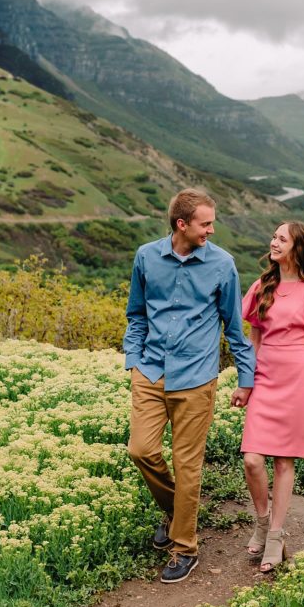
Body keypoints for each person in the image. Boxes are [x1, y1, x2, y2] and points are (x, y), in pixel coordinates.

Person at [124, 188, 256, 584]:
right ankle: (175, 512)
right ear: (181, 224)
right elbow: (136, 313)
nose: (211, 230)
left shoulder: (223, 265)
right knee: (142, 450)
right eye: (205, 223)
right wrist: (133, 360)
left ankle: (185, 546)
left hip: (197, 378)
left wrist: (246, 379)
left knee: (187, 465)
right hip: (149, 371)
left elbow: (234, 328)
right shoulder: (147, 257)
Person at [231, 221, 304, 573]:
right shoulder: (263, 286)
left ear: (298, 247)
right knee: (251, 459)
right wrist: (246, 383)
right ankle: (262, 522)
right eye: (273, 236)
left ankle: (275, 536)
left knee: (284, 462)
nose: (273, 242)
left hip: (300, 376)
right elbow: (254, 340)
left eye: (282, 238)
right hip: (265, 375)